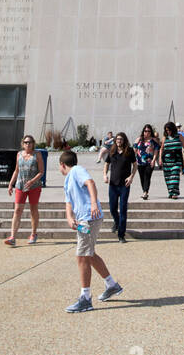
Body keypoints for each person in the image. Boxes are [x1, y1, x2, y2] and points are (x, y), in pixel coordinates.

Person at [62, 149, 123, 313]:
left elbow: (90, 183)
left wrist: (94, 203)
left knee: (82, 256)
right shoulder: (67, 181)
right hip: (83, 220)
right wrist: (69, 217)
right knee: (89, 253)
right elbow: (69, 202)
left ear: (62, 165)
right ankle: (111, 285)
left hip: (90, 217)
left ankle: (86, 298)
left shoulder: (76, 170)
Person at [5, 135, 45, 245]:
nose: (28, 144)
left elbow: (41, 172)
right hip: (20, 185)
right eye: (26, 142)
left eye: (30, 142)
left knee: (33, 209)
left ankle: (33, 233)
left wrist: (32, 181)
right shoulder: (19, 154)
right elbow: (16, 171)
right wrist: (10, 184)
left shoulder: (37, 154)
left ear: (33, 143)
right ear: (23, 144)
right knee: (17, 210)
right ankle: (12, 237)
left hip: (34, 186)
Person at [103, 132, 136, 242]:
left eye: (121, 139)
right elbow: (107, 164)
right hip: (113, 184)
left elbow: (135, 165)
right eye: (117, 139)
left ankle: (121, 235)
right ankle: (117, 222)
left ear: (124, 140)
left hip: (124, 185)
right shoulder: (112, 151)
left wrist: (131, 176)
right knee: (112, 208)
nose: (118, 141)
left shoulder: (129, 151)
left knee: (123, 209)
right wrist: (105, 175)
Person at [160, 121, 184, 199]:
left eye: (169, 130)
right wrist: (160, 159)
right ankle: (170, 192)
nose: (168, 132)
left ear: (173, 129)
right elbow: (161, 149)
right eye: (166, 130)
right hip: (166, 161)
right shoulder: (165, 137)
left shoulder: (179, 136)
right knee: (168, 177)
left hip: (176, 160)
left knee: (175, 175)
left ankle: (175, 193)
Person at [133, 125, 160, 200]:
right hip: (139, 161)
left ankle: (145, 192)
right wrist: (132, 160)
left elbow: (156, 150)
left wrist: (154, 160)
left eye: (148, 131)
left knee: (147, 176)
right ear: (143, 131)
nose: (147, 133)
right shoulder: (139, 139)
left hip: (149, 162)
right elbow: (134, 149)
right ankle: (144, 191)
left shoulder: (154, 140)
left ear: (151, 132)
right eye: (145, 131)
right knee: (142, 177)